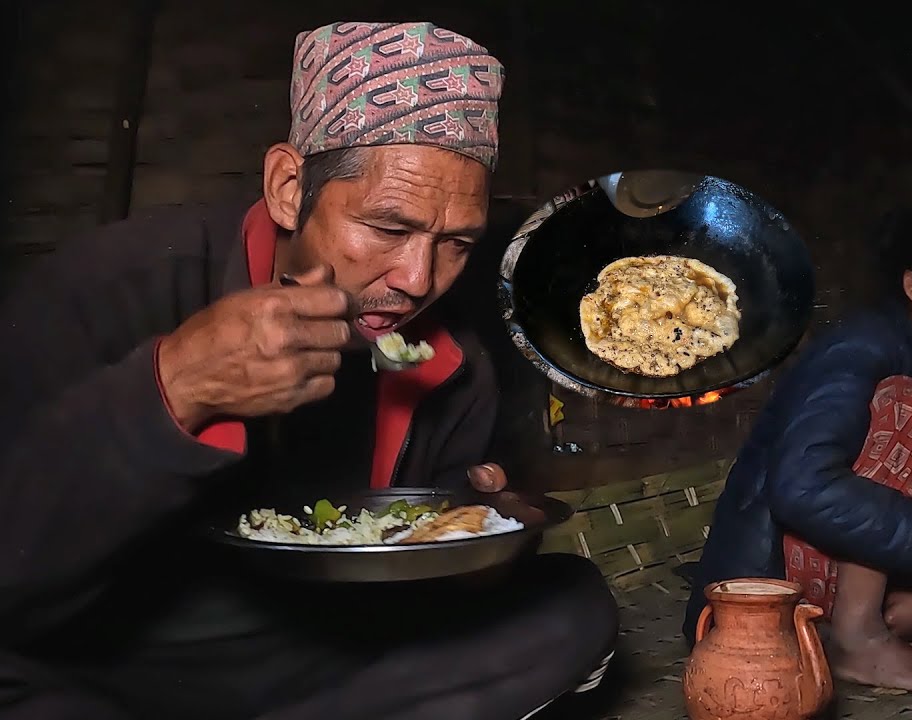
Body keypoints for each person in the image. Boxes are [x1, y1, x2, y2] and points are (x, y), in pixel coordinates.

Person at [0, 21, 616, 720]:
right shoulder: (108, 290)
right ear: (290, 187)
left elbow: (400, 582)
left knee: (571, 606)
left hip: (300, 652)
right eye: (389, 228)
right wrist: (173, 388)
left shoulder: (454, 368)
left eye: (455, 243)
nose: (418, 279)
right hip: (112, 650)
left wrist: (476, 535)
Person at [684, 194, 912, 695]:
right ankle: (859, 637)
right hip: (768, 597)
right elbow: (803, 488)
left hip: (869, 581)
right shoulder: (860, 348)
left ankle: (859, 631)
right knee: (910, 410)